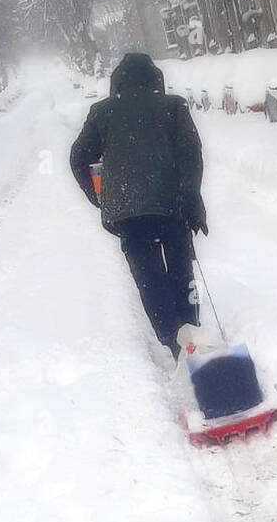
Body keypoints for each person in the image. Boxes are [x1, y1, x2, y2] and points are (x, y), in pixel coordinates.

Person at [69, 52, 208, 359]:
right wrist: (190, 195)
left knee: (149, 279)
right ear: (155, 80)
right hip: (171, 206)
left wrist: (101, 198)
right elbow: (191, 154)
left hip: (127, 212)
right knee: (181, 270)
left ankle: (175, 343)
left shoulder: (101, 112)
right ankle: (191, 331)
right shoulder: (173, 107)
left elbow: (79, 157)